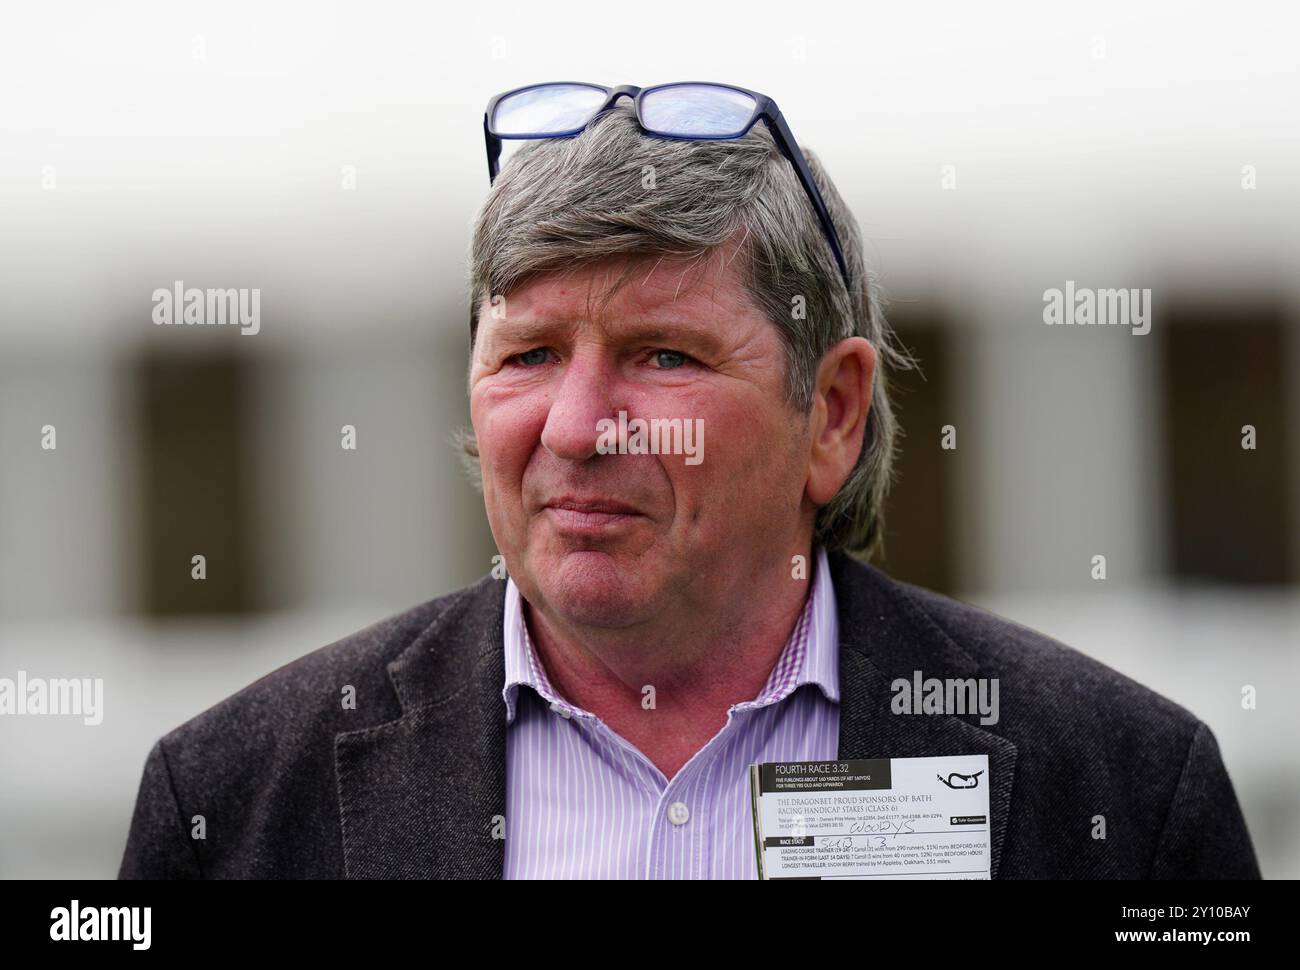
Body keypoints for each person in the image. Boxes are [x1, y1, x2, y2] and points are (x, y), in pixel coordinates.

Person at [119, 84, 1260, 879]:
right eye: (528, 355)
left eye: (663, 355)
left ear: (831, 412)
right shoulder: (235, 802)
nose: (577, 427)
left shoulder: (1121, 789)